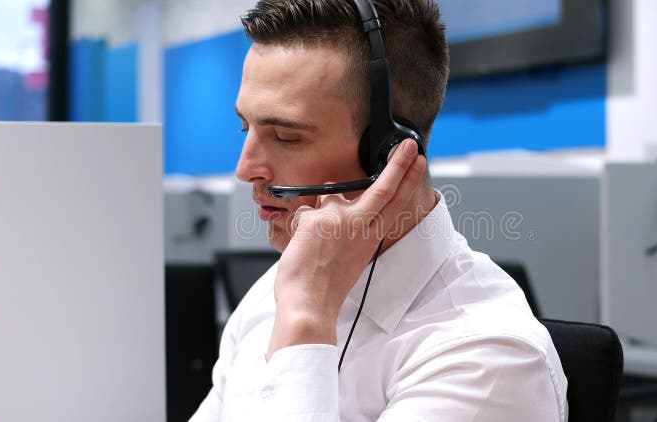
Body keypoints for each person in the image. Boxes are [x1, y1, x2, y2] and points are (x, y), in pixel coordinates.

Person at [191, 0, 568, 420]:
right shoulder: (268, 297)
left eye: (285, 136)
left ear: (387, 155)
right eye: (247, 127)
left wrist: (306, 322)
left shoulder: (486, 357)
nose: (244, 170)